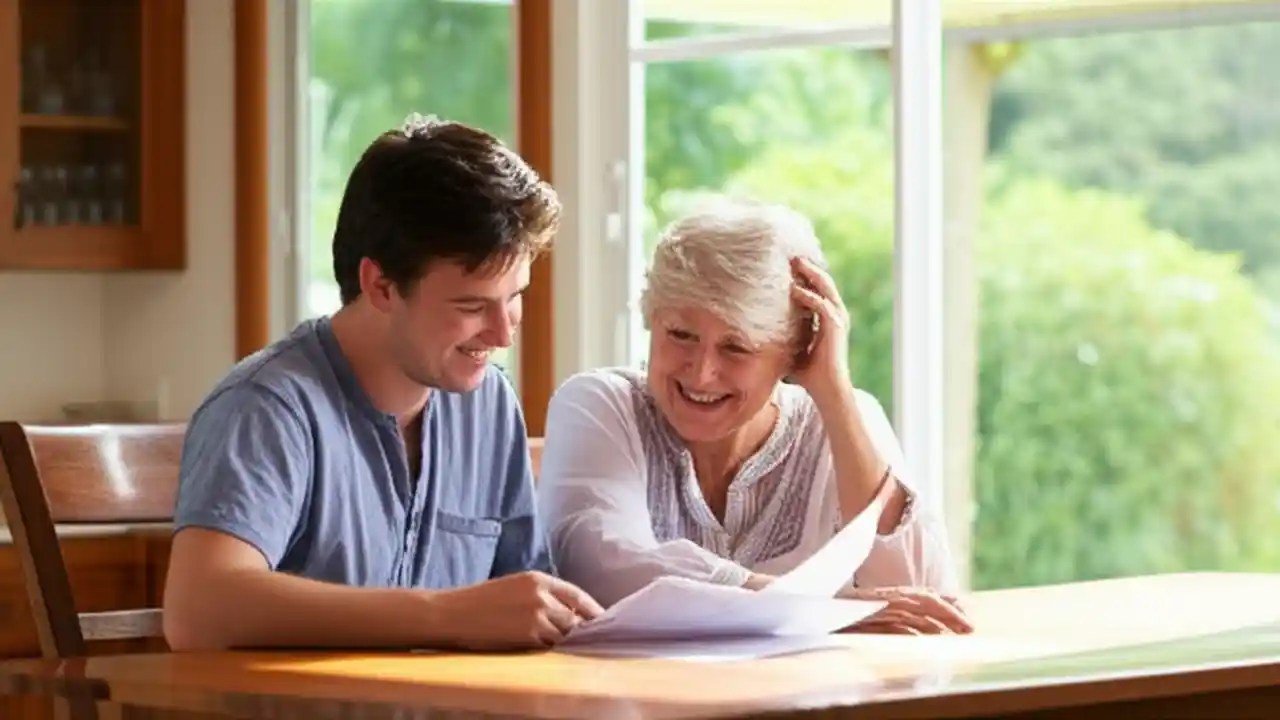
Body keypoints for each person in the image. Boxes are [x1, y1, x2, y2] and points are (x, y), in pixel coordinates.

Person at [163, 114, 603, 652]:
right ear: (381, 285)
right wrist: (448, 615)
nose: (503, 334)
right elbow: (199, 612)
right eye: (471, 306)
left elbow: (530, 612)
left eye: (515, 298)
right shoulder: (269, 407)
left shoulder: (488, 405)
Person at [538, 199, 971, 635]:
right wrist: (820, 607)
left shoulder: (845, 418)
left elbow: (923, 596)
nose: (702, 371)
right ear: (652, 321)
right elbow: (605, 565)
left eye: (736, 347)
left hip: (811, 701)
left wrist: (834, 391)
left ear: (794, 350)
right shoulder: (599, 405)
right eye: (680, 335)